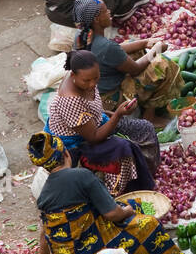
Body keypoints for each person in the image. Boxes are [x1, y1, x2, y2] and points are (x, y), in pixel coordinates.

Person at [29, 131, 182, 254]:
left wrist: (43, 253)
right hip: (95, 251)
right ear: (66, 154)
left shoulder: (44, 194)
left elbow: (45, 227)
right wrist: (129, 210)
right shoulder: (82, 175)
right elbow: (112, 214)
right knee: (148, 224)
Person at [47, 49, 158, 192]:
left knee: (145, 128)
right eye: (87, 80)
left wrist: (111, 114)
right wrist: (117, 115)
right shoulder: (70, 100)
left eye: (96, 77)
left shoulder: (83, 75)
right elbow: (93, 138)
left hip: (97, 123)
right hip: (77, 145)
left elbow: (92, 111)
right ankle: (118, 194)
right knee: (123, 148)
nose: (92, 84)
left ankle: (145, 173)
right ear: (73, 75)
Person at [73, 0, 181, 115]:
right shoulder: (106, 47)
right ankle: (150, 116)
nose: (109, 12)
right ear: (97, 19)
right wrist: (155, 50)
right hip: (111, 99)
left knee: (132, 47)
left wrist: (144, 43)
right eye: (105, 11)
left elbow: (116, 50)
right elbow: (135, 69)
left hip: (95, 91)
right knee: (163, 65)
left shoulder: (82, 35)